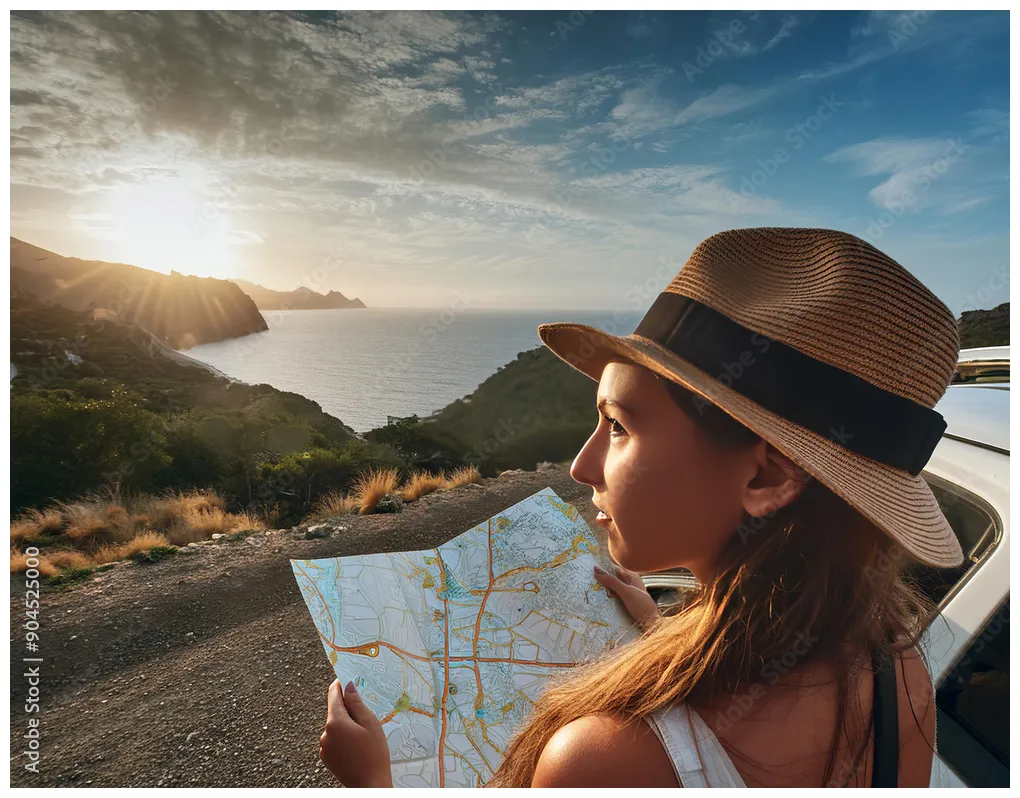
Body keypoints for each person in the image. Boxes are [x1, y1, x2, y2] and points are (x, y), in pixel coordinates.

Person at [318, 227, 964, 787]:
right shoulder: (897, 666)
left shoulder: (605, 760)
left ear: (767, 476)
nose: (583, 466)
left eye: (619, 426)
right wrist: (661, 630)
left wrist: (377, 784)